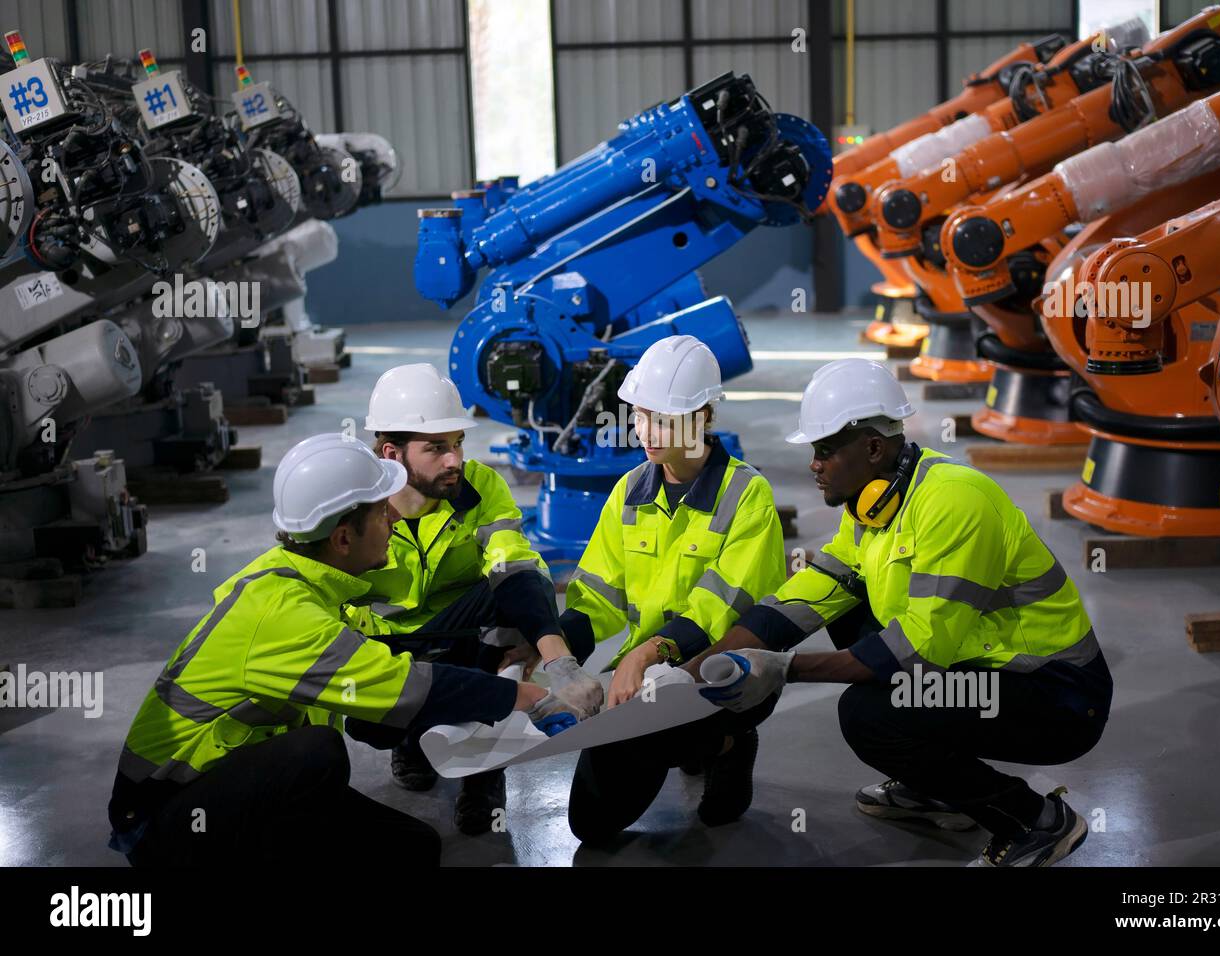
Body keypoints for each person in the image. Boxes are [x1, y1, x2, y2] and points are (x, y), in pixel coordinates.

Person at [688, 358, 1112, 867]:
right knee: (846, 608)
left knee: (870, 716)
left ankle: (1035, 819)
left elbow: (918, 647)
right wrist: (701, 665)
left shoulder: (955, 502)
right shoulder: (874, 505)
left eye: (825, 450)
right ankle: (937, 790)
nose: (813, 464)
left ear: (873, 447)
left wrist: (786, 670)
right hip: (987, 670)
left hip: (1058, 695)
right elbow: (810, 593)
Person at [107, 433, 573, 866]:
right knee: (316, 751)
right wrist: (531, 697)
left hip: (236, 774)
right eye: (379, 512)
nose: (393, 517)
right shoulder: (283, 615)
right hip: (160, 814)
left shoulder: (310, 574)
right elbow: (405, 687)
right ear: (344, 538)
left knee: (414, 847)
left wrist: (526, 641)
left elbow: (400, 634)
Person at [559, 335, 787, 842]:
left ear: (705, 416)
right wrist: (555, 647)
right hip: (647, 673)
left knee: (677, 731)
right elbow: (597, 592)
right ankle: (684, 742)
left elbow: (723, 609)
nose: (646, 431)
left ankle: (729, 745)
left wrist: (647, 653)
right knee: (590, 825)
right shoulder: (629, 491)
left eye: (664, 419)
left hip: (726, 671)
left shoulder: (747, 496)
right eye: (640, 415)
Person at [362, 363, 603, 834]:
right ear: (391, 453)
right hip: (388, 653)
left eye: (456, 444)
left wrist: (560, 665)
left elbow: (512, 566)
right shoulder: (358, 503)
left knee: (517, 582)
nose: (454, 460)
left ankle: (484, 771)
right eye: (436, 448)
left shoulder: (478, 487)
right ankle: (411, 734)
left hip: (462, 638)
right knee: (371, 721)